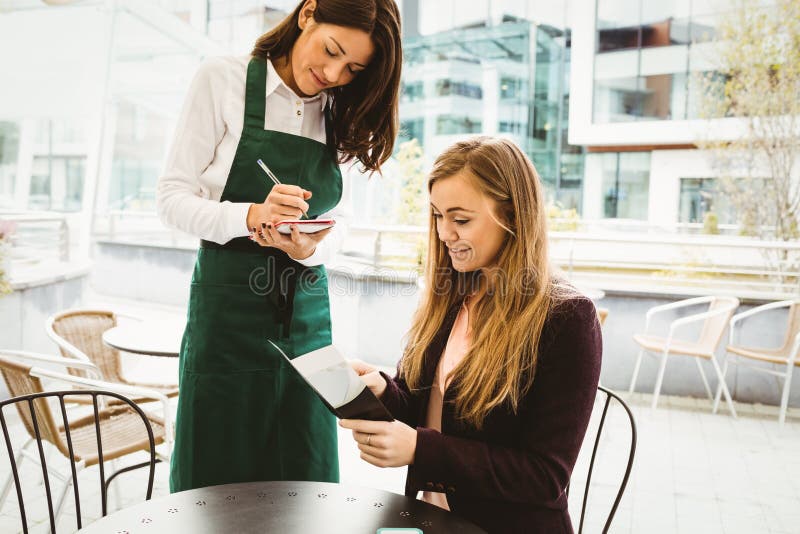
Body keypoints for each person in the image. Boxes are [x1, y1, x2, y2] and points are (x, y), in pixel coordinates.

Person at [156, 0, 402, 492]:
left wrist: (308, 248)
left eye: (352, 68)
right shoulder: (222, 79)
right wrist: (249, 216)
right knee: (215, 484)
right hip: (226, 324)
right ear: (307, 12)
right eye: (331, 51)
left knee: (306, 482)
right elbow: (171, 199)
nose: (332, 73)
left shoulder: (340, 109)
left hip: (309, 324)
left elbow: (345, 224)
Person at [341, 137, 602, 533]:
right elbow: (422, 408)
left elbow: (546, 477)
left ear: (512, 215)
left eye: (460, 220)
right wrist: (380, 390)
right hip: (431, 521)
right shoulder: (450, 294)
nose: (445, 233)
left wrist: (418, 449)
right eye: (437, 216)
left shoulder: (567, 317)